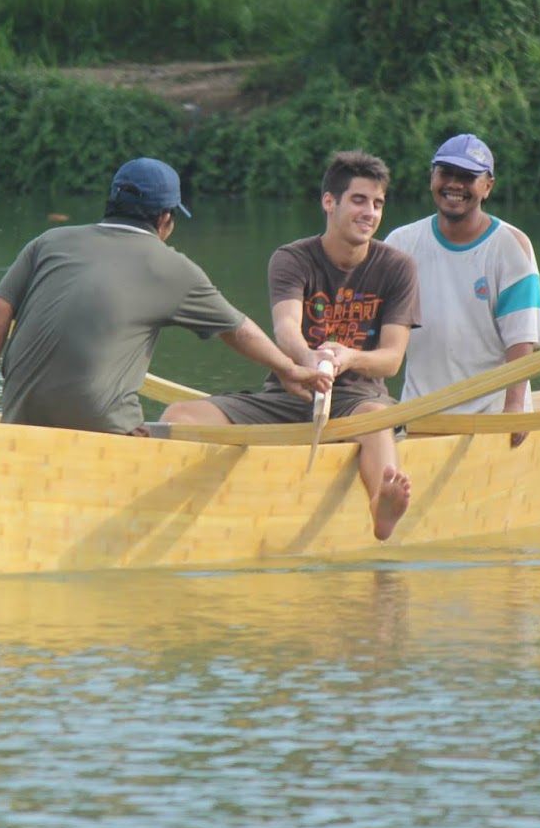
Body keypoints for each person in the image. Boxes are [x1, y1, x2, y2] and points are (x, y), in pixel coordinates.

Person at [0, 157, 328, 434]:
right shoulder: (172, 268)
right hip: (103, 428)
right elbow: (238, 330)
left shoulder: (50, 241)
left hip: (21, 418)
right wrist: (289, 369)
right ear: (166, 219)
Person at [160, 151, 418, 541]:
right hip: (290, 390)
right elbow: (286, 329)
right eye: (359, 200)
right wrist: (307, 360)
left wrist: (349, 358)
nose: (370, 212)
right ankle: (172, 514)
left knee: (377, 422)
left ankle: (380, 508)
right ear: (329, 202)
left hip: (359, 401)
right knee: (179, 415)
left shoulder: (398, 267)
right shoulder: (292, 258)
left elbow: (391, 360)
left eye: (378, 203)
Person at [382, 134, 540, 449]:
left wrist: (514, 408)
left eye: (467, 177)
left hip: (490, 416)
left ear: (488, 186)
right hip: (420, 414)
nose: (454, 185)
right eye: (446, 174)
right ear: (432, 178)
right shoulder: (400, 243)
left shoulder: (512, 245)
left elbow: (521, 337)